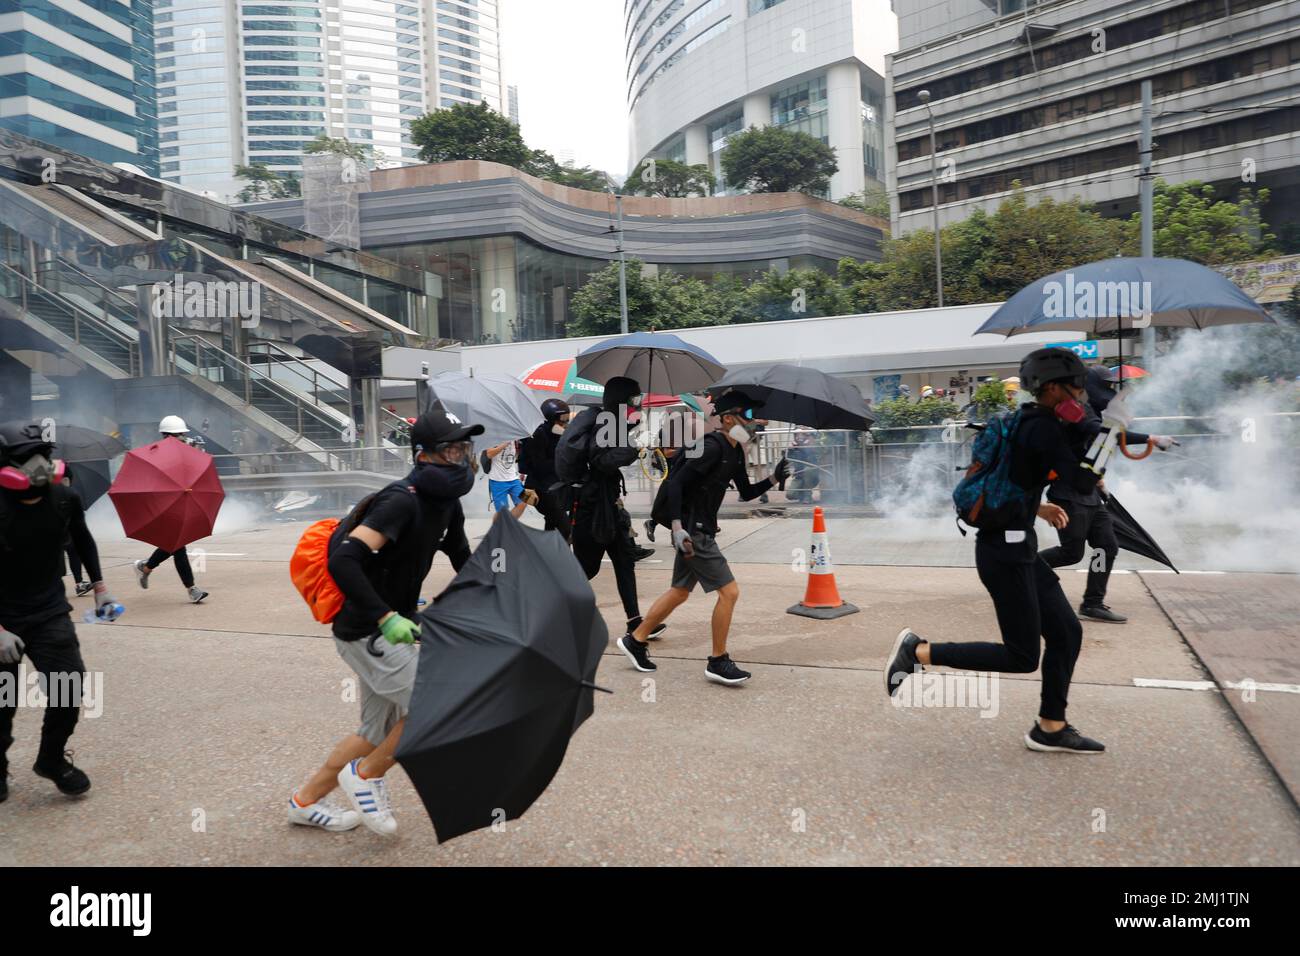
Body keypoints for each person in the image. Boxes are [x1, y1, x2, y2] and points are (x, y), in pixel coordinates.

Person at [885, 348, 1109, 754]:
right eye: (1077, 388)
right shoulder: (1039, 427)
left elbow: (1015, 478)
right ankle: (917, 652)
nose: (1082, 396)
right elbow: (1080, 481)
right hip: (1005, 555)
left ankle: (1050, 727)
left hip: (1017, 547)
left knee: (1067, 632)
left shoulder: (1026, 420)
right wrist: (1106, 445)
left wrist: (1035, 505)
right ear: (1055, 389)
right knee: (1022, 655)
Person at [288, 404, 483, 835]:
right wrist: (386, 616)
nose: (460, 458)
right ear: (422, 456)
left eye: (463, 449)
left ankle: (303, 803)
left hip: (391, 627)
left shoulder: (447, 504)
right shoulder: (401, 501)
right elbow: (345, 560)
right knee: (435, 707)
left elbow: (461, 557)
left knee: (375, 732)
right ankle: (366, 776)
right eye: (450, 450)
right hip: (367, 631)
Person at [621, 391, 789, 685]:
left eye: (754, 417)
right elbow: (674, 483)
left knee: (680, 591)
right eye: (747, 416)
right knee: (730, 592)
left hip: (700, 527)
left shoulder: (735, 451)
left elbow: (747, 493)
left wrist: (774, 478)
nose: (753, 423)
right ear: (726, 419)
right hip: (692, 529)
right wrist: (676, 528)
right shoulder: (711, 447)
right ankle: (717, 660)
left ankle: (636, 640)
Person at [1, 421, 119, 801]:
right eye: (27, 459)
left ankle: (51, 759)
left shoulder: (63, 499)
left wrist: (100, 588)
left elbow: (83, 540)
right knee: (3, 701)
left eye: (45, 456)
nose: (39, 464)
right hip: (3, 617)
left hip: (49, 610)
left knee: (69, 686)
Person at [1038, 365, 1175, 623]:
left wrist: (1098, 477)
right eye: (1108, 386)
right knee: (1071, 553)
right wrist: (1151, 438)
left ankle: (1093, 602)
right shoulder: (1075, 410)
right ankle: (1025, 569)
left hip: (1089, 494)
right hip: (1067, 495)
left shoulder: (1094, 412)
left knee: (1106, 546)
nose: (1111, 391)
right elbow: (1097, 433)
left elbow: (1097, 446)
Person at [567, 377, 661, 641]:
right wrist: (635, 446)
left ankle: (635, 623)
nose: (638, 404)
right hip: (593, 508)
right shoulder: (604, 423)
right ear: (620, 400)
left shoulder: (615, 422)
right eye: (633, 400)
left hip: (609, 505)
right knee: (587, 569)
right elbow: (602, 461)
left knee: (624, 561)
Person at [132, 415, 209, 604]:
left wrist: (196, 452)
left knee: (172, 545)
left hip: (180, 502)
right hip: (162, 504)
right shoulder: (155, 453)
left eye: (181, 435)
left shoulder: (185, 450)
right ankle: (192, 589)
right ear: (166, 436)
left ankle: (146, 567)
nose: (181, 438)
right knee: (178, 547)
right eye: (177, 435)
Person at [520, 398, 571, 540]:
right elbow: (539, 466)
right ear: (550, 417)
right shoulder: (538, 434)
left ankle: (549, 557)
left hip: (554, 486)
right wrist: (562, 456)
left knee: (551, 524)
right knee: (565, 528)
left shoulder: (557, 434)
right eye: (562, 418)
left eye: (567, 418)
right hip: (540, 489)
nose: (565, 422)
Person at [483, 438, 534, 519]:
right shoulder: (494, 438)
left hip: (514, 479)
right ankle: (497, 529)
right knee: (502, 511)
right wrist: (504, 444)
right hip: (497, 480)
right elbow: (489, 454)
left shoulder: (516, 439)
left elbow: (516, 457)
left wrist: (521, 472)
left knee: (523, 502)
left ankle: (508, 524)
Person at [786, 427, 821, 504]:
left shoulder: (812, 444)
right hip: (799, 475)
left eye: (801, 434)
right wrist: (790, 450)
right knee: (790, 495)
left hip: (812, 475)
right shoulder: (794, 446)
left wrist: (808, 445)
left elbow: (814, 459)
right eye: (796, 435)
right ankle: (802, 494)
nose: (799, 437)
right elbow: (787, 459)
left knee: (808, 470)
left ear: (806, 435)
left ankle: (807, 496)